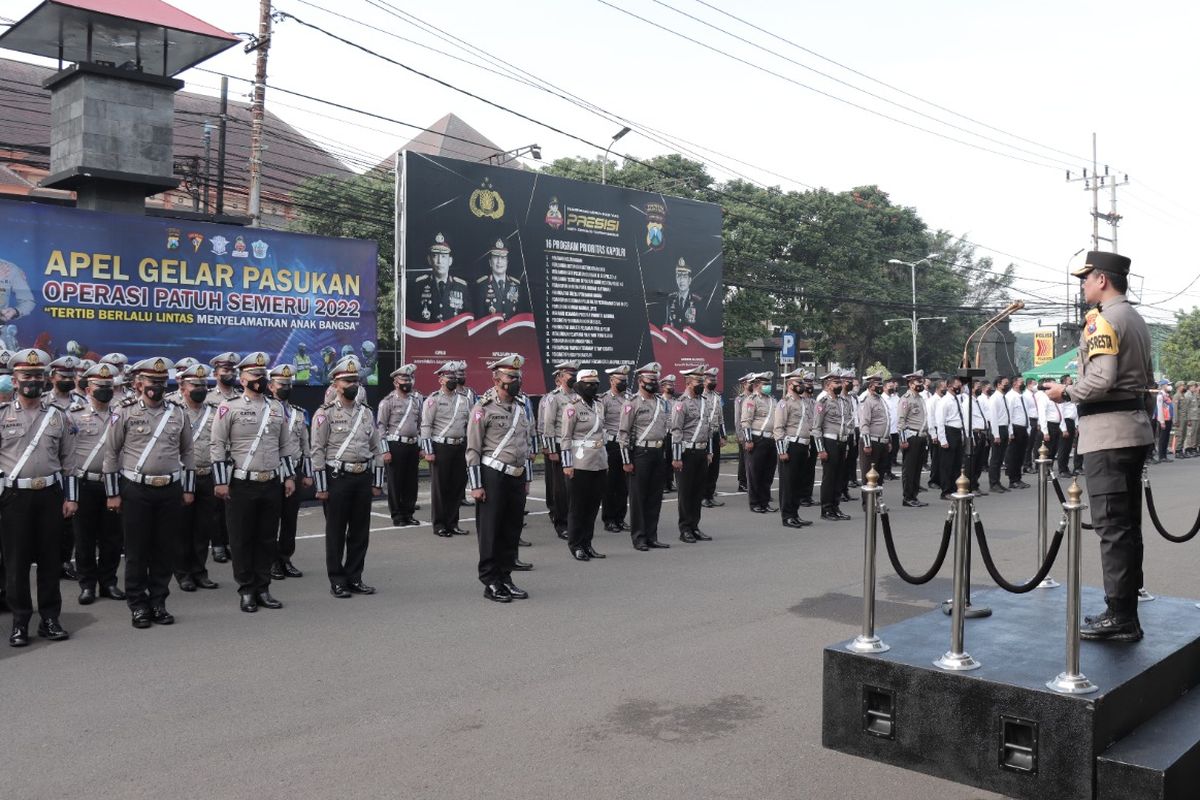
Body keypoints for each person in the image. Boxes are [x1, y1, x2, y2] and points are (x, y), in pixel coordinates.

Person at [1043, 251, 1153, 642]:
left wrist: (1065, 391)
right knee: (1128, 526)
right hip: (1132, 429)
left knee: (1112, 527)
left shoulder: (1102, 320)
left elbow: (1103, 379)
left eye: (1086, 279)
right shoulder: (1134, 318)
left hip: (1108, 435)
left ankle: (1121, 616)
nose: (1084, 286)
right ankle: (1125, 609)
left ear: (1102, 280)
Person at [103, 356, 194, 629]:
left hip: (170, 489)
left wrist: (188, 488)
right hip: (136, 489)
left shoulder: (178, 412)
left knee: (164, 549)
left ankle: (158, 602)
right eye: (152, 381)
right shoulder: (124, 411)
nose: (158, 385)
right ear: (139, 383)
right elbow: (111, 454)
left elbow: (188, 452)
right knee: (137, 550)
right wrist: (112, 493)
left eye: (162, 381)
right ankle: (138, 605)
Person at [2, 348, 77, 646]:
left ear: (45, 379)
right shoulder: (2, 415)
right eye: (26, 376)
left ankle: (49, 618)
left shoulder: (58, 417)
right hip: (14, 497)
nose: (32, 380)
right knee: (16, 562)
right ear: (15, 381)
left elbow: (69, 461)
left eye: (37, 375)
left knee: (49, 560)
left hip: (50, 495)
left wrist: (71, 498)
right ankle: (20, 622)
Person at [209, 352, 295, 613]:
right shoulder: (229, 407)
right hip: (241, 484)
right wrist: (220, 482)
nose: (260, 378)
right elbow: (217, 445)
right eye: (255, 374)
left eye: (262, 374)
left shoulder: (276, 408)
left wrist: (289, 476)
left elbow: (285, 445)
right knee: (241, 539)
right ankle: (246, 589)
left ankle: (263, 587)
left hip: (271, 482)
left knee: (267, 538)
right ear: (242, 378)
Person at [312, 356, 385, 599]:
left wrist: (377, 481)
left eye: (355, 380)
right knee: (336, 533)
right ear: (335, 385)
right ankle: (337, 581)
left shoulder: (366, 413)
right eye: (347, 381)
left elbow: (376, 448)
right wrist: (321, 487)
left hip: (362, 477)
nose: (353, 385)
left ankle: (355, 577)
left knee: (360, 532)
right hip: (338, 478)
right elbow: (317, 451)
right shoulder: (325, 414)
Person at [466, 354, 534, 602]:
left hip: (516, 475)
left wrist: (527, 477)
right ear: (496, 379)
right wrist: (476, 485)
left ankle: (505, 577)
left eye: (518, 377)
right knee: (491, 530)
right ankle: (490, 580)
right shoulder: (482, 408)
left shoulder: (521, 407)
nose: (517, 381)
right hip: (493, 475)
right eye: (511, 377)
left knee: (511, 529)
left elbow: (525, 444)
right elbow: (473, 449)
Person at [67, 362, 126, 604]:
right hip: (86, 484)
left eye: (108, 386)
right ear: (88, 389)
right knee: (85, 539)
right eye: (99, 386)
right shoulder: (73, 415)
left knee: (113, 537)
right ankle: (87, 585)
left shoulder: (122, 413)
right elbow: (67, 453)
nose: (105, 390)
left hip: (115, 484)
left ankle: (108, 582)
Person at [174, 363, 220, 592]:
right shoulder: (173, 411)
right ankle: (183, 573)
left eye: (203, 385)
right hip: (182, 477)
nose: (200, 389)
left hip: (207, 475)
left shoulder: (214, 411)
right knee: (182, 528)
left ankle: (200, 571)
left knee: (203, 528)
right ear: (183, 388)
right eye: (195, 385)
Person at [618, 363, 671, 550]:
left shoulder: (661, 402)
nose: (654, 383)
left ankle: (652, 536)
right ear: (641, 381)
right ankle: (639, 537)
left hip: (658, 452)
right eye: (650, 379)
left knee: (655, 497)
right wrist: (626, 460)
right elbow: (623, 433)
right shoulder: (631, 403)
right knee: (639, 498)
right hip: (641, 453)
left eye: (656, 379)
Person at [270, 364, 312, 579]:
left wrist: (308, 473)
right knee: (270, 520)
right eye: (281, 384)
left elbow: (305, 444)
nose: (285, 388)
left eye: (288, 384)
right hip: (271, 473)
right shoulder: (265, 410)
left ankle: (285, 558)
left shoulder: (298, 413)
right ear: (271, 386)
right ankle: (271, 562)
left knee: (290, 519)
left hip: (294, 472)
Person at [420, 361, 471, 538]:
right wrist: (428, 451)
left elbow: (469, 425)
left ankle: (453, 523)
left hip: (460, 446)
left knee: (457, 487)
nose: (453, 380)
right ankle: (440, 524)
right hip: (441, 447)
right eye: (449, 377)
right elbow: (426, 426)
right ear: (441, 379)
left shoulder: (464, 400)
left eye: (455, 377)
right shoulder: (433, 400)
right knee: (441, 488)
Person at [561, 369, 608, 560]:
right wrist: (567, 464)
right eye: (588, 383)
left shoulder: (599, 405)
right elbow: (565, 438)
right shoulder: (572, 408)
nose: (593, 387)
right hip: (579, 463)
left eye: (595, 383)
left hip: (599, 462)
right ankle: (576, 545)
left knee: (592, 507)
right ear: (579, 385)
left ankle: (588, 544)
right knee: (578, 508)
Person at [671, 366, 715, 542]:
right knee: (686, 493)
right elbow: (676, 431)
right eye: (698, 381)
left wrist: (709, 451)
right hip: (686, 453)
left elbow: (708, 428)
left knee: (697, 492)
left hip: (701, 452)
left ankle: (695, 526)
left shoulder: (705, 401)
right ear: (688, 383)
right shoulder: (680, 403)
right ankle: (685, 529)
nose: (702, 384)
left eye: (702, 381)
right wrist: (676, 457)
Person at [47, 355, 81, 581]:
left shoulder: (82, 402)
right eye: (63, 376)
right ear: (52, 377)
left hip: (74, 468)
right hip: (50, 469)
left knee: (70, 521)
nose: (67, 380)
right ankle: (49, 561)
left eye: (71, 376)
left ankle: (65, 561)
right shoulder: (43, 402)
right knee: (50, 522)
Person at [206, 351, 241, 564]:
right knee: (216, 506)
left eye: (232, 370)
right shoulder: (208, 398)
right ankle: (218, 544)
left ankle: (231, 542)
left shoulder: (241, 397)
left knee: (234, 505)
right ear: (215, 373)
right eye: (225, 370)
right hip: (216, 456)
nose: (230, 374)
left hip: (236, 458)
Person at [378, 364, 422, 527]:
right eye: (404, 380)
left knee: (411, 483)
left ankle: (408, 513)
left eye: (409, 379)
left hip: (412, 445)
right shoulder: (387, 402)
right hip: (395, 446)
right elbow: (381, 427)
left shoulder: (416, 401)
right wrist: (385, 451)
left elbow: (420, 425)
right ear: (396, 382)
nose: (407, 383)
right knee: (396, 483)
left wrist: (421, 447)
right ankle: (397, 515)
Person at [539, 361, 578, 539]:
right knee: (560, 488)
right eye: (570, 375)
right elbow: (548, 424)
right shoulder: (553, 398)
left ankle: (573, 520)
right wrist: (551, 450)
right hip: (559, 446)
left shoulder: (578, 396)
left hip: (575, 447)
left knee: (574, 486)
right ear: (561, 377)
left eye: (575, 374)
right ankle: (561, 523)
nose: (573, 377)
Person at [773, 368, 814, 528]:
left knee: (798, 483)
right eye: (799, 382)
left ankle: (795, 513)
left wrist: (808, 446)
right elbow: (778, 428)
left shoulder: (804, 402)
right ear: (790, 384)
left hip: (803, 445)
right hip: (790, 446)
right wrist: (782, 451)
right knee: (788, 483)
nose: (802, 385)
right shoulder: (784, 403)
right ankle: (787, 516)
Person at [813, 372, 852, 521]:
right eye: (836, 383)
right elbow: (816, 428)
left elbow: (846, 424)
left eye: (840, 383)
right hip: (830, 441)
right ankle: (826, 509)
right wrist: (821, 449)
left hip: (842, 441)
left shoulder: (844, 401)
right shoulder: (822, 402)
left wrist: (846, 446)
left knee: (839, 477)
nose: (840, 385)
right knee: (829, 477)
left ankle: (836, 507)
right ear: (828, 385)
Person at [740, 372, 778, 513]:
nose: (768, 386)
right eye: (765, 384)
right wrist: (749, 440)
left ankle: (765, 502)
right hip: (757, 439)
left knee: (768, 474)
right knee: (755, 473)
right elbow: (746, 421)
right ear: (757, 385)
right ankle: (755, 503)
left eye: (769, 383)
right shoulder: (751, 400)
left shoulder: (773, 400)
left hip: (771, 440)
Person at [600, 365, 632, 532]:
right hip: (611, 444)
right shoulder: (604, 399)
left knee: (624, 485)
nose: (624, 383)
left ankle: (620, 517)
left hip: (626, 445)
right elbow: (599, 424)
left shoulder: (630, 398)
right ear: (612, 380)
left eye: (625, 380)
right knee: (610, 484)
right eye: (621, 380)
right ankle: (609, 519)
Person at [473, 239, 527, 319]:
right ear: (490, 262)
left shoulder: (517, 286)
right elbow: (479, 319)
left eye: (503, 258)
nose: (499, 261)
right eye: (496, 257)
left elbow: (521, 318)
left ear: (507, 262)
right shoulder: (482, 286)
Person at [898, 371, 929, 508]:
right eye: (918, 382)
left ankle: (914, 495)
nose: (921, 384)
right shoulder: (906, 399)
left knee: (917, 469)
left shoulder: (920, 398)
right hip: (911, 437)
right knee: (909, 469)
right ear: (910, 384)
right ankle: (907, 497)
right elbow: (901, 421)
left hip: (921, 436)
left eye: (921, 382)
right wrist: (903, 440)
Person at [857, 371, 890, 496]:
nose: (881, 386)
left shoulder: (881, 400)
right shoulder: (866, 400)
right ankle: (868, 503)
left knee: (879, 476)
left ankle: (877, 500)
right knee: (869, 475)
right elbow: (864, 423)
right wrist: (867, 444)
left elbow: (887, 421)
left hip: (882, 442)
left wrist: (888, 440)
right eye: (878, 384)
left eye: (881, 384)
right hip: (872, 442)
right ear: (870, 386)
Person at [700, 367, 727, 509]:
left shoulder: (717, 397)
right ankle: (702, 496)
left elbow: (720, 418)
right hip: (704, 435)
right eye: (711, 379)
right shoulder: (700, 396)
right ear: (704, 381)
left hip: (715, 434)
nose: (714, 382)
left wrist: (723, 436)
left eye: (715, 379)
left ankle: (710, 495)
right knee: (705, 466)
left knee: (714, 468)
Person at [936, 376, 966, 500]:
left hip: (958, 431)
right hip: (949, 431)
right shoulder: (944, 401)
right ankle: (946, 490)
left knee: (956, 463)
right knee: (947, 464)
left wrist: (963, 435)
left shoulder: (957, 399)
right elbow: (940, 421)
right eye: (957, 385)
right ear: (949, 386)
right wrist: (943, 439)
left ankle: (954, 488)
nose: (959, 387)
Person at [1006, 377, 1032, 489]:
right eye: (1021, 382)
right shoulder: (1010, 396)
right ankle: (1013, 480)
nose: (1023, 384)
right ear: (1015, 383)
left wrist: (1028, 428)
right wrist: (1010, 431)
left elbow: (1026, 413)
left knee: (1021, 455)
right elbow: (1009, 415)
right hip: (1015, 428)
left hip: (1023, 428)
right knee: (1014, 455)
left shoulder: (1022, 396)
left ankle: (1018, 478)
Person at [988, 376, 1012, 493]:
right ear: (998, 384)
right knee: (996, 458)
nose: (1007, 385)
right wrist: (996, 435)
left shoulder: (1005, 398)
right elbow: (993, 418)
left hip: (1004, 428)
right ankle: (993, 483)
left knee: (1001, 458)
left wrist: (1010, 432)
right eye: (1005, 383)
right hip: (997, 429)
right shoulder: (994, 398)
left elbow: (1008, 416)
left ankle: (998, 482)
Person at [665, 258, 702, 328]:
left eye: (685, 276)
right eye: (679, 276)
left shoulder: (697, 300)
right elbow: (667, 324)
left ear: (689, 280)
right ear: (676, 279)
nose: (681, 280)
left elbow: (700, 326)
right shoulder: (670, 299)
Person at [659, 374, 678, 493]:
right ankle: (663, 484)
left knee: (672, 458)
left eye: (673, 384)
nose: (671, 387)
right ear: (663, 387)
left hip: (674, 434)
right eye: (669, 385)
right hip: (664, 434)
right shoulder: (660, 401)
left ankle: (670, 482)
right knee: (664, 460)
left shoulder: (676, 401)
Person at [1152, 380, 1173, 464]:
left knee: (1166, 438)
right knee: (1162, 438)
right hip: (1163, 420)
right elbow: (1159, 409)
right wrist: (1162, 421)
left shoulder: (1166, 395)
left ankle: (1164, 456)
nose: (1169, 386)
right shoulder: (1160, 396)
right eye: (1168, 384)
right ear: (1163, 385)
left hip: (1168, 419)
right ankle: (1161, 456)